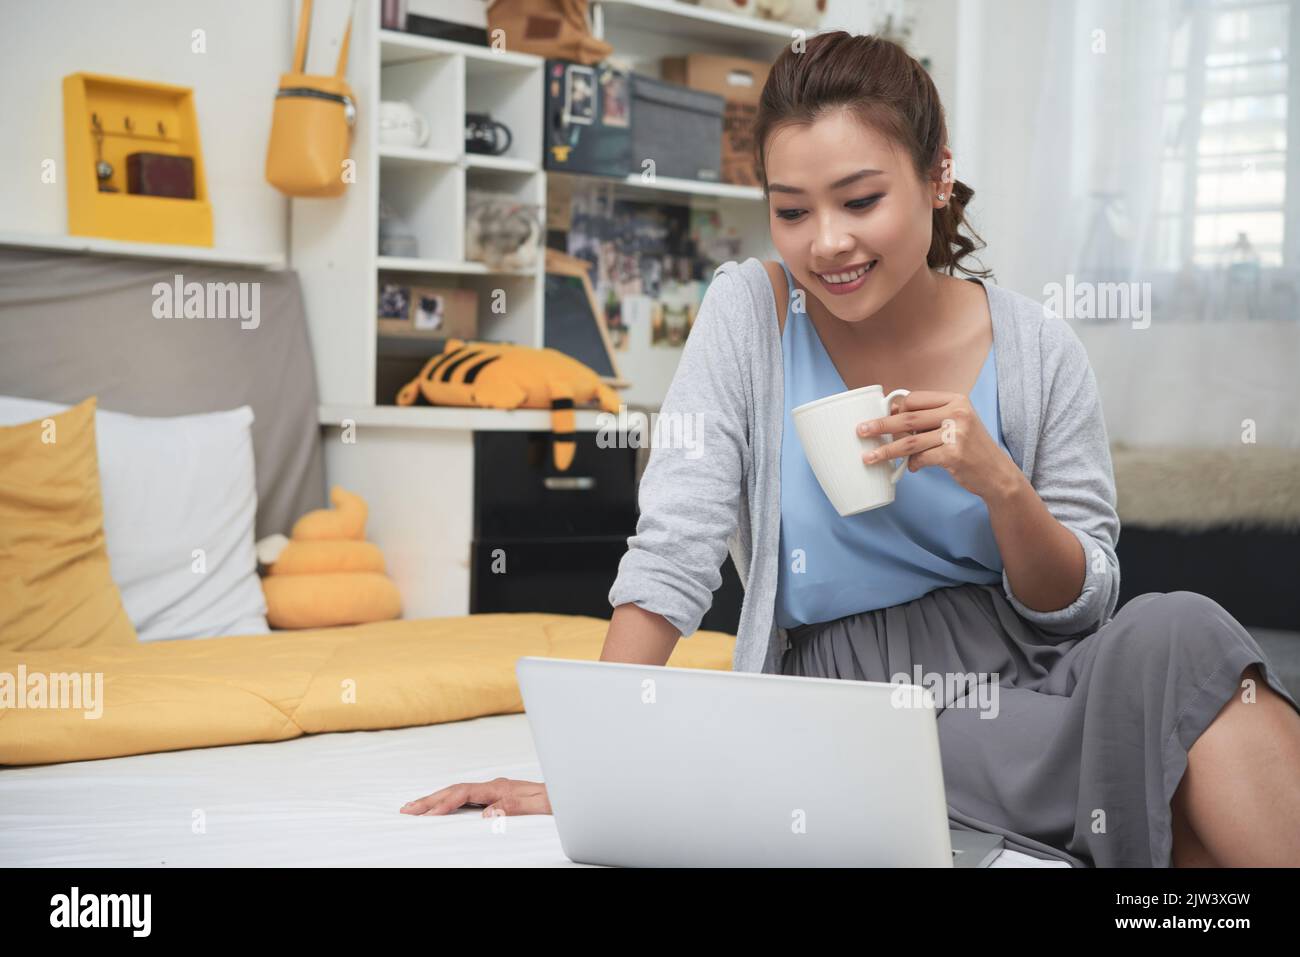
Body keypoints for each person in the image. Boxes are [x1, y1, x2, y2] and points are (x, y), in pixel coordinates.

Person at [401, 32, 1300, 867]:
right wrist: (593, 770)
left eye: (861, 200)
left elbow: (1082, 601)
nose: (826, 242)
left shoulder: (1036, 347)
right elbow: (673, 549)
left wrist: (1003, 488)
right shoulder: (750, 313)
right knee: (1184, 795)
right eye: (792, 211)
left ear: (937, 176)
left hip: (1034, 669)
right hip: (857, 707)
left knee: (1185, 627)